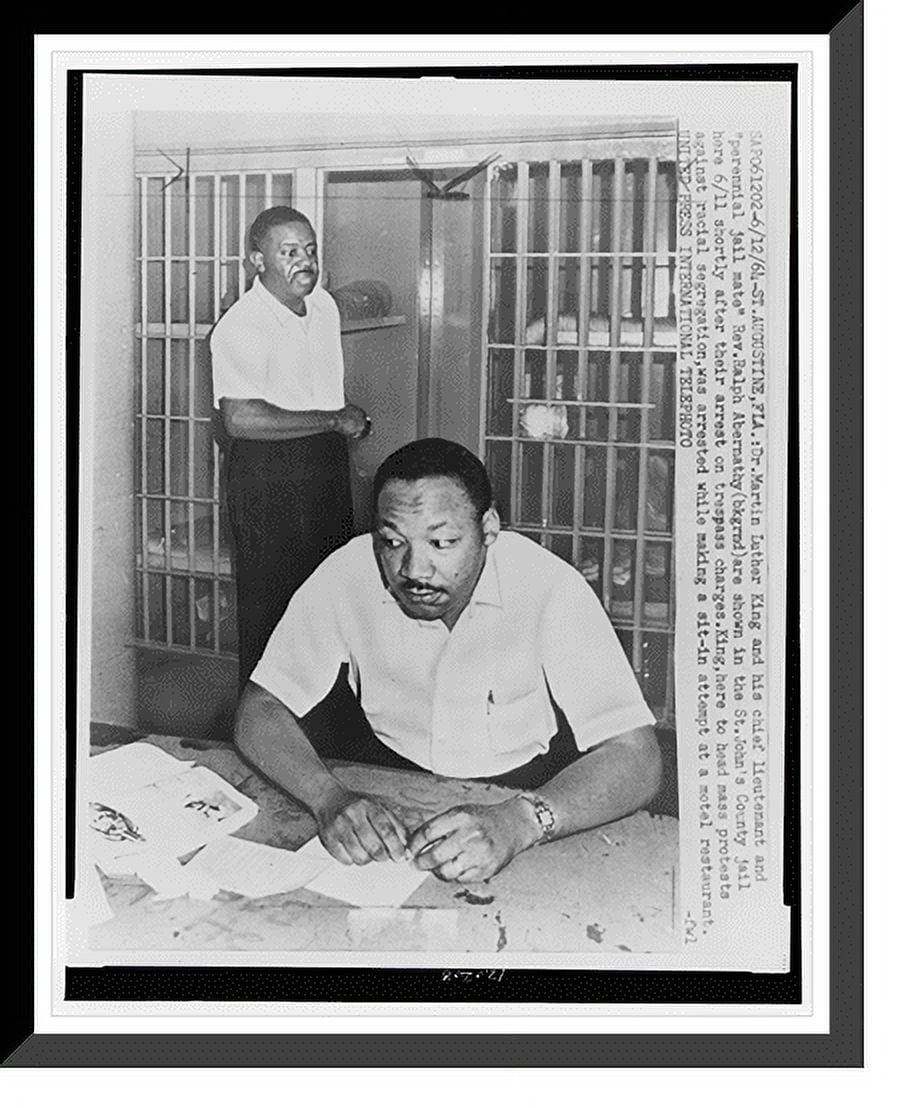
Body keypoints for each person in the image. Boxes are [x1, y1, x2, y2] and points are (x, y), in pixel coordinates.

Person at [235, 438, 662, 884]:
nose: (414, 570)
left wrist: (522, 821)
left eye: (442, 542)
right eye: (393, 541)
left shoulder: (550, 587)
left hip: (522, 793)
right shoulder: (346, 573)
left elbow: (637, 757)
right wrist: (328, 798)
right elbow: (259, 710)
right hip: (381, 782)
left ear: (488, 528)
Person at [210, 206, 371, 691]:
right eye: (289, 252)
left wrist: (342, 421)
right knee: (272, 609)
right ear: (258, 260)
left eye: (310, 249)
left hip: (323, 463)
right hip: (266, 472)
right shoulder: (241, 325)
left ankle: (326, 715)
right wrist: (333, 420)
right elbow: (240, 419)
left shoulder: (323, 308)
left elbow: (320, 390)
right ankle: (263, 717)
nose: (305, 261)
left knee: (328, 595)